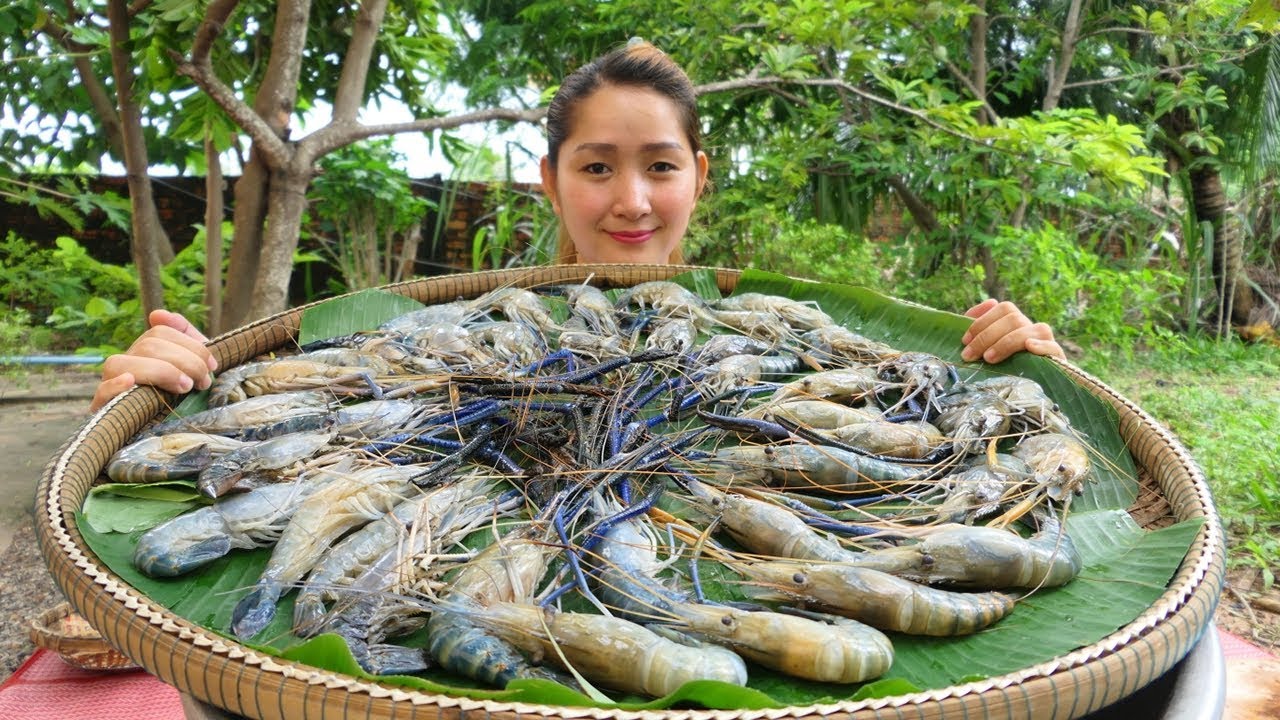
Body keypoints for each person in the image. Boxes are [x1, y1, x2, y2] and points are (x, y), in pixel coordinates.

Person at [89, 41, 1063, 413]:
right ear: (548, 184)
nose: (631, 200)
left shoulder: (777, 330)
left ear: (698, 179)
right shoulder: (450, 327)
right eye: (596, 168)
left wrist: (1012, 364)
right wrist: (167, 388)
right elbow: (317, 393)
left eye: (659, 167)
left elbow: (915, 397)